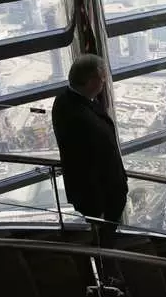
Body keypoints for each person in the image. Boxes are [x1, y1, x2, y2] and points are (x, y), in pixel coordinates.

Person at [52, 54, 128, 247]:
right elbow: (83, 166)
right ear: (92, 81)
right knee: (106, 242)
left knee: (105, 239)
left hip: (100, 197)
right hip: (102, 201)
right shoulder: (80, 119)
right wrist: (97, 209)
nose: (104, 84)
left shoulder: (65, 101)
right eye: (102, 79)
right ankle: (107, 274)